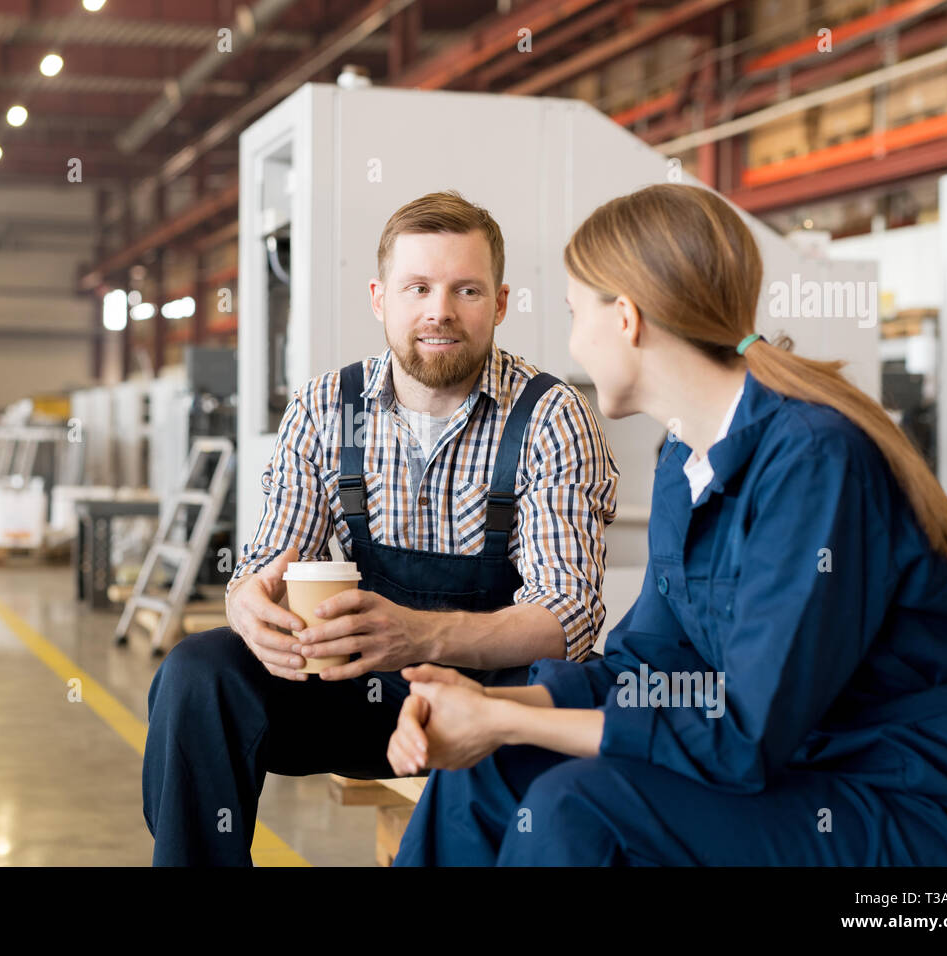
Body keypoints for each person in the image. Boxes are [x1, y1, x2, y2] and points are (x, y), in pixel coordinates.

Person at [388, 183, 947, 866]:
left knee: (575, 808)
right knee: (484, 773)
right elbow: (651, 665)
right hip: (800, 771)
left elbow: (746, 734)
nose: (572, 342)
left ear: (627, 318)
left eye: (577, 314)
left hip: (909, 801)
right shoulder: (683, 461)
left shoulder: (814, 459)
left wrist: (506, 718)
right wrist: (488, 704)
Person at [142, 190, 619, 866]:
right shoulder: (324, 407)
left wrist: (420, 634)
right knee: (198, 672)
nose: (439, 311)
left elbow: (568, 620)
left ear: (502, 303)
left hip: (495, 704)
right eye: (417, 287)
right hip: (359, 696)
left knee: (575, 750)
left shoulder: (550, 416)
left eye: (467, 290)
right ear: (379, 297)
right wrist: (247, 600)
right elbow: (270, 560)